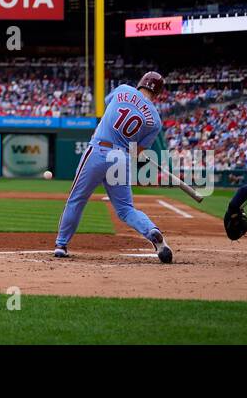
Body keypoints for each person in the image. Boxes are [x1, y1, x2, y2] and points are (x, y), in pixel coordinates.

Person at [53, 71, 173, 263]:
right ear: (158, 92)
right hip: (121, 157)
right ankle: (151, 230)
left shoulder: (123, 89)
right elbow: (136, 151)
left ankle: (61, 245)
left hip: (99, 149)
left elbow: (108, 109)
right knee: (126, 209)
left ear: (141, 82)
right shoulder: (155, 121)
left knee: (76, 199)